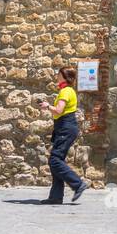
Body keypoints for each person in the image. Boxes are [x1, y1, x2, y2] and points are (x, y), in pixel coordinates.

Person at [39, 67, 89, 203]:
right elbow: (57, 113)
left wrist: (47, 106)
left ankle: (78, 184)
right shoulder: (67, 91)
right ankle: (56, 197)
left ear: (64, 76)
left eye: (58, 74)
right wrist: (50, 108)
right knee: (57, 160)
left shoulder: (65, 91)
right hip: (64, 127)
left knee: (54, 160)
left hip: (65, 128)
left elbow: (58, 110)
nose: (56, 75)